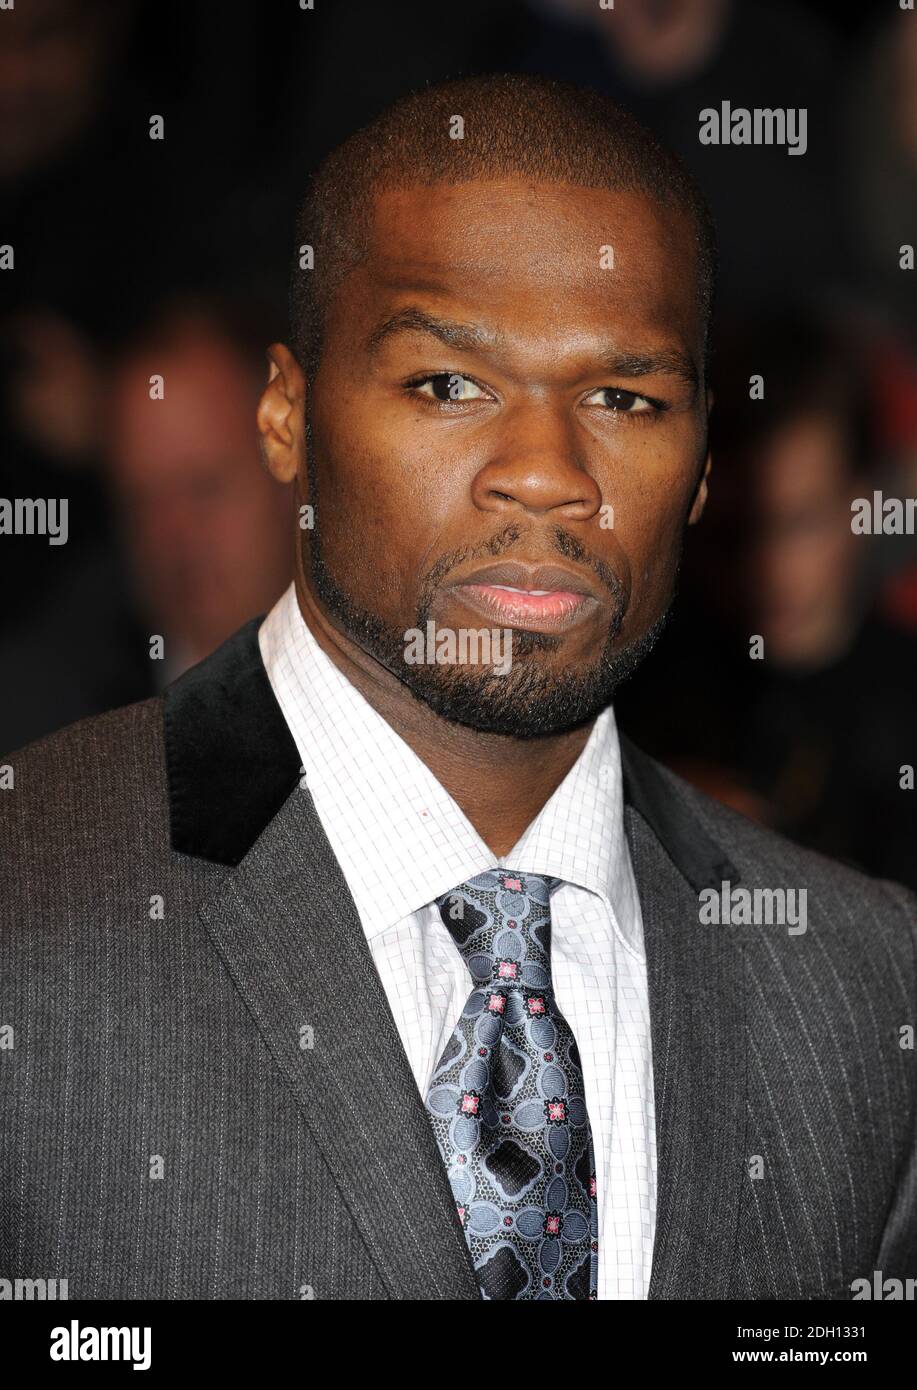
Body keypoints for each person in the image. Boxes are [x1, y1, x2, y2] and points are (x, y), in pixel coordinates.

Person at [1, 75, 914, 1302]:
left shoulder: (857, 988)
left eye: (622, 397)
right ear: (286, 416)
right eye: (449, 384)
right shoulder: (26, 905)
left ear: (701, 469)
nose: (543, 473)